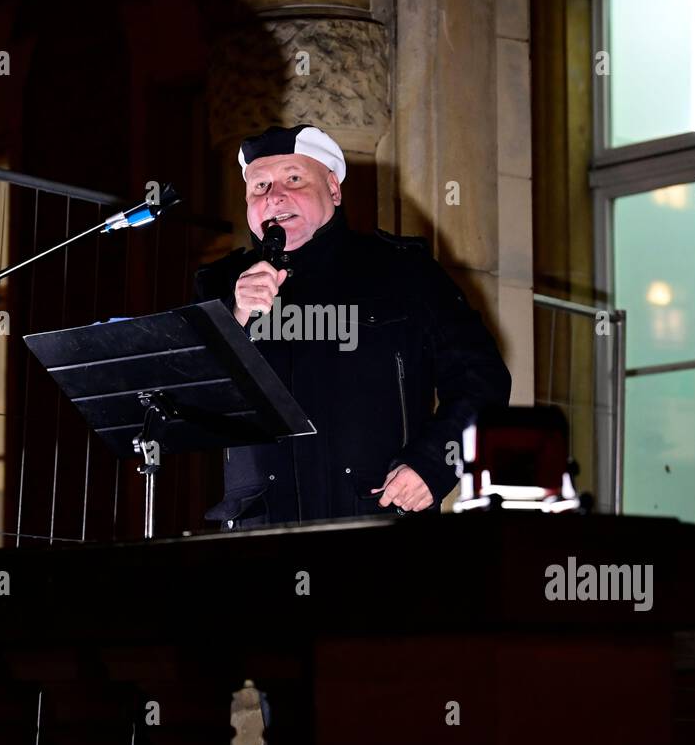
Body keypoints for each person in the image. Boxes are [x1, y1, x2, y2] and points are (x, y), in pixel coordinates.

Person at [194, 123, 511, 529]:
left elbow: (480, 379)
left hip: (373, 520)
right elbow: (192, 402)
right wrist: (234, 315)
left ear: (334, 189)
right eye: (260, 187)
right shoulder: (220, 287)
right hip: (261, 532)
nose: (274, 196)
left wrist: (434, 464)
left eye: (294, 178)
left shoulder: (402, 271)